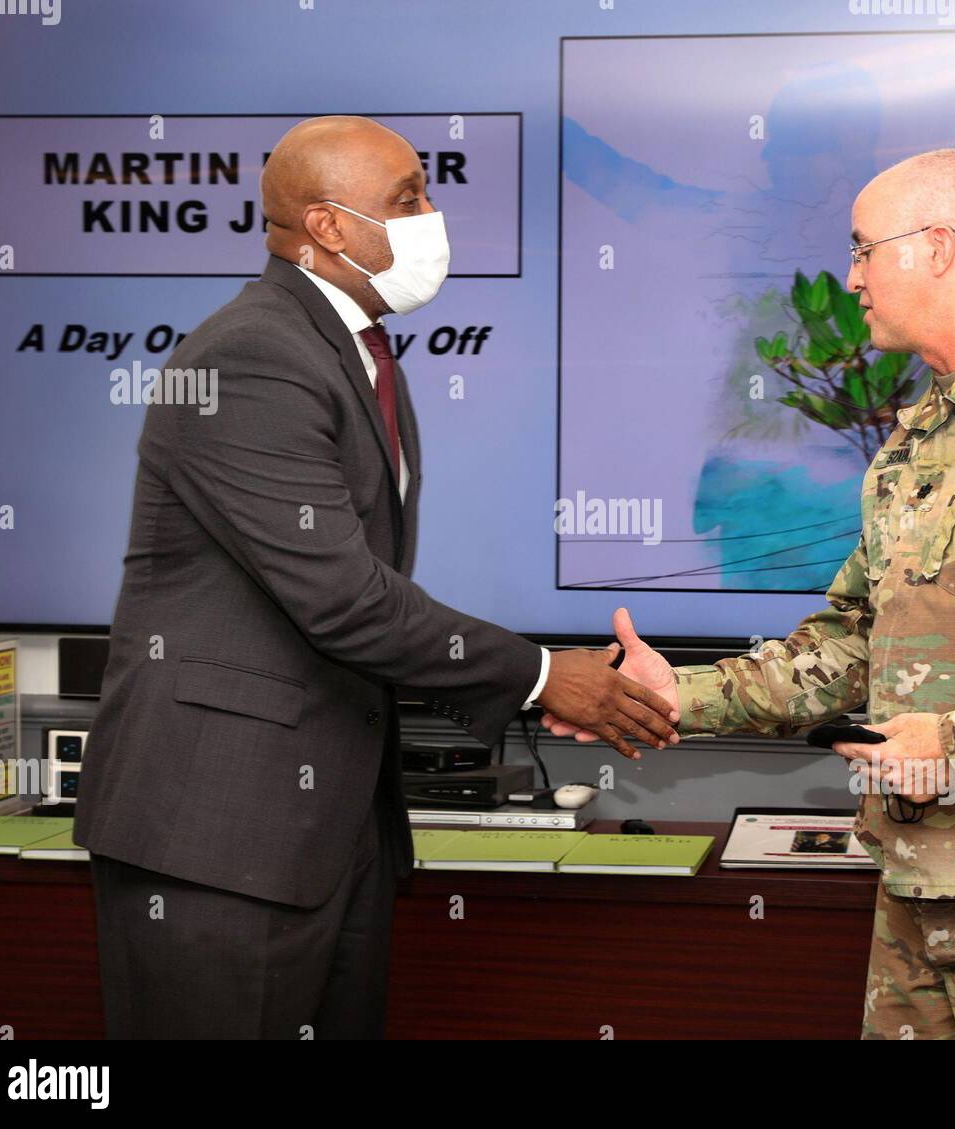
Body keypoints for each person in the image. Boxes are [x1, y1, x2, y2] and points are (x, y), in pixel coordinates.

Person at [544, 149, 955, 1040]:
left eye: (863, 251)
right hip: (916, 889)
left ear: (939, 246)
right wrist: (681, 694)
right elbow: (850, 642)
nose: (850, 278)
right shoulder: (914, 439)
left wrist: (952, 745)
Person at [76, 116, 679, 1039]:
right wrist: (547, 677)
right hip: (219, 835)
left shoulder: (350, 353)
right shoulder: (251, 356)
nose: (433, 217)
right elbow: (344, 601)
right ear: (329, 228)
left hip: (329, 830)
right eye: (408, 199)